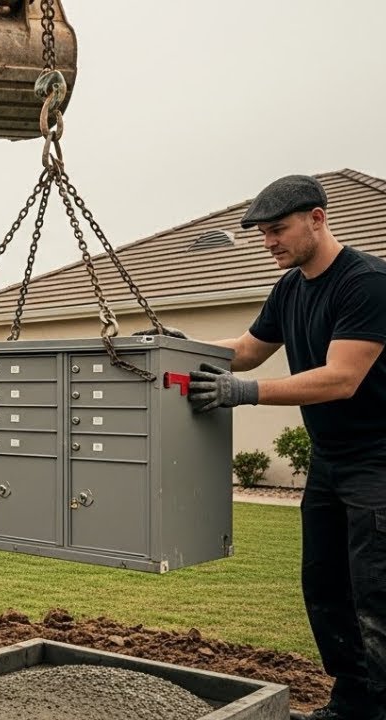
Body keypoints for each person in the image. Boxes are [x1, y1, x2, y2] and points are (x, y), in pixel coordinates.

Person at [148, 175, 386, 720]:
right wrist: (183, 350)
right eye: (262, 233)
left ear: (317, 219)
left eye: (277, 229)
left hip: (377, 461)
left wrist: (244, 394)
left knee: (376, 592)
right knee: (324, 585)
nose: (268, 242)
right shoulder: (291, 286)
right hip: (329, 462)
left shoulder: (367, 283)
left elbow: (340, 378)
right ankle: (351, 702)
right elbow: (251, 350)